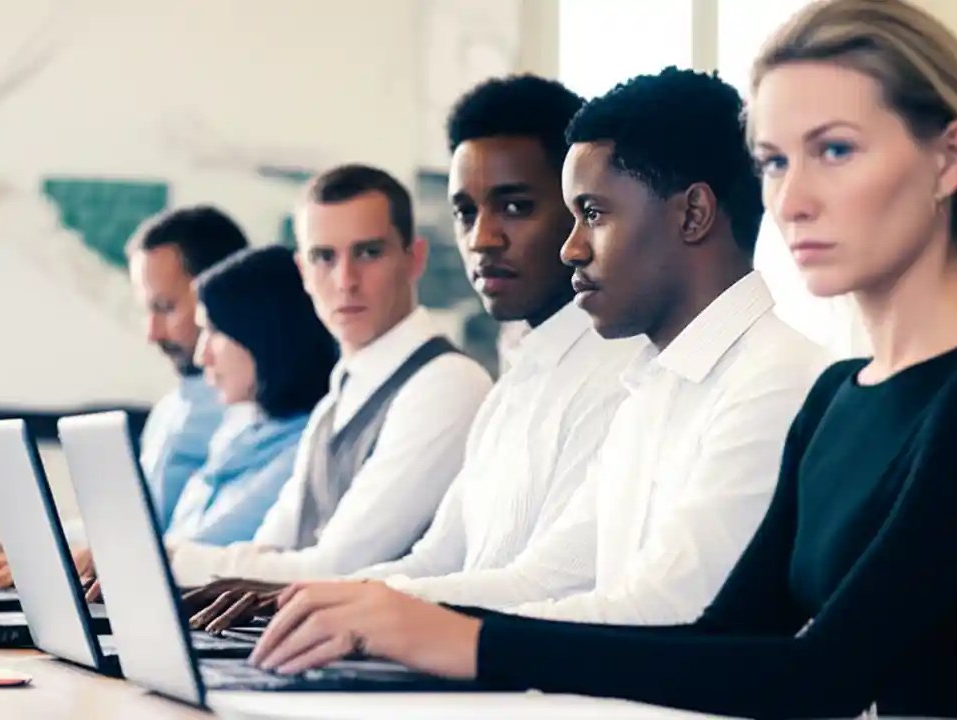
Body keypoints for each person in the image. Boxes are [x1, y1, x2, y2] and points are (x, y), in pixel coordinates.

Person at [249, 2, 957, 717]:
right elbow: (723, 636)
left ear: (950, 158)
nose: (792, 200)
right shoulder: (837, 396)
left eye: (833, 150)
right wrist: (405, 622)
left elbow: (820, 674)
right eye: (774, 161)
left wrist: (463, 641)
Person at [249, 63, 827, 657]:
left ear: (693, 214)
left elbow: (670, 612)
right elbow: (539, 578)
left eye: (593, 215)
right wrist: (341, 602)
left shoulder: (776, 381)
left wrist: (432, 635)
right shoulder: (650, 387)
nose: (572, 246)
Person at [185, 75, 645, 632]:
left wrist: (326, 596)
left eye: (516, 207)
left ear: (579, 210)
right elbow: (435, 558)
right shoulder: (514, 382)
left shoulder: (617, 376)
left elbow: (543, 584)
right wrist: (301, 595)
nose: (481, 239)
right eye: (465, 213)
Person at [0, 207, 249, 586]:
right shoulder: (173, 408)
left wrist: (22, 557)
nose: (151, 332)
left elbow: (170, 551)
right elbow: (121, 533)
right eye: (146, 309)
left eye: (165, 308)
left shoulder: (247, 414)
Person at [155, 165, 493, 589]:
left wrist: (165, 560)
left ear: (414, 259)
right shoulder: (343, 390)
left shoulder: (444, 386)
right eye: (324, 257)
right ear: (303, 272)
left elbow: (335, 569)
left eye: (369, 253)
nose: (345, 281)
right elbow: (270, 547)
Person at [165, 245, 336, 544]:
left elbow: (202, 547)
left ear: (261, 336)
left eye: (215, 332)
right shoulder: (239, 429)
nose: (201, 356)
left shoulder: (302, 452)